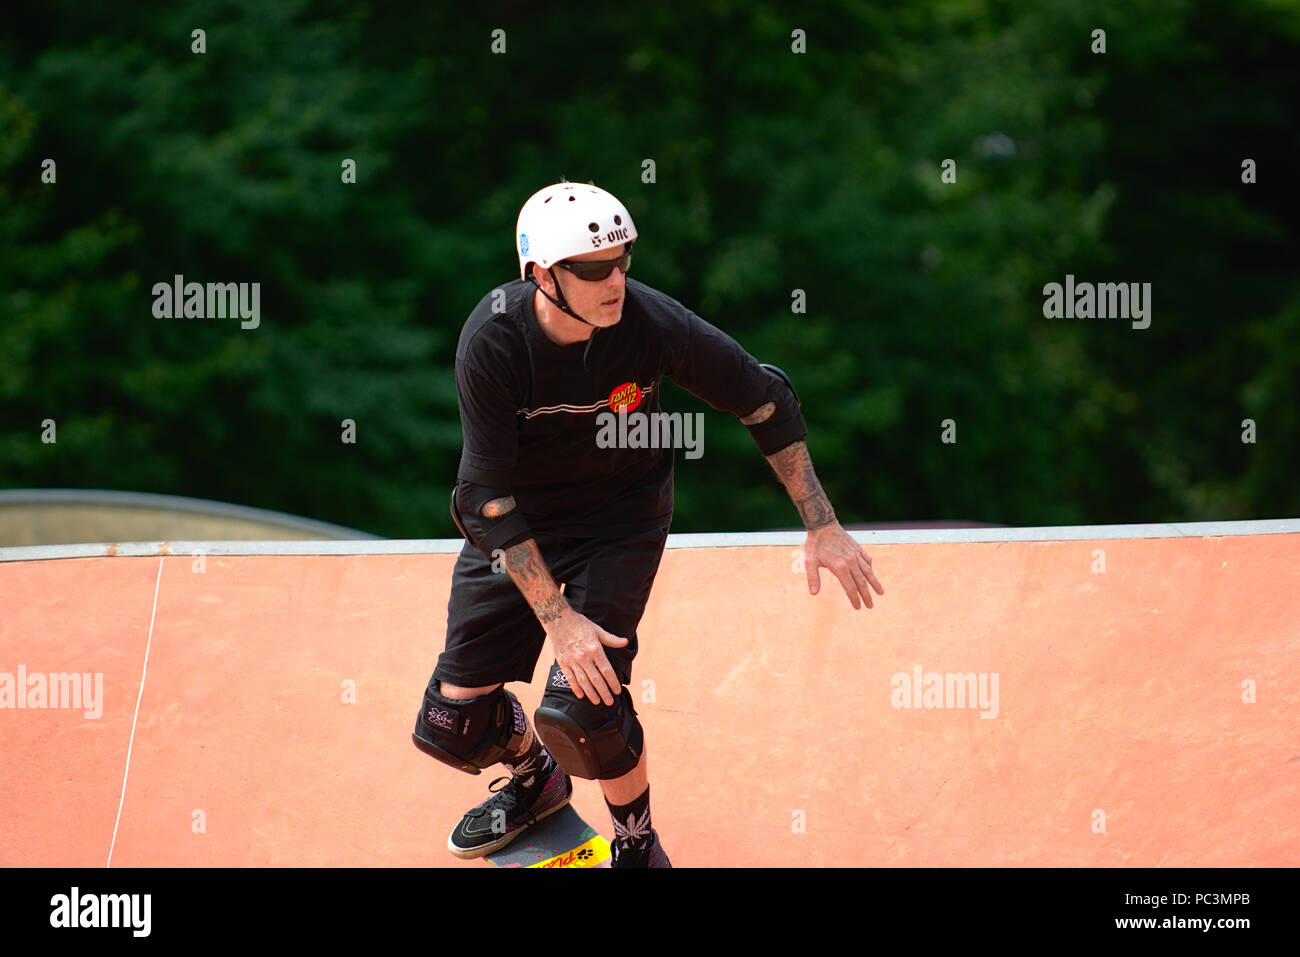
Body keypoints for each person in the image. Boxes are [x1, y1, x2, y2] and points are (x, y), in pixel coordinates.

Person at [412, 181, 884, 868]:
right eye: (595, 269)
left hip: (620, 515)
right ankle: (535, 776)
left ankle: (636, 844)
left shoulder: (650, 324)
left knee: (586, 703)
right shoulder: (494, 340)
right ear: (543, 276)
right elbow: (484, 494)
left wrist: (823, 523)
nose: (617, 282)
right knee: (449, 725)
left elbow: (764, 398)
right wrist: (558, 618)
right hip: (520, 521)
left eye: (624, 260)